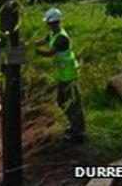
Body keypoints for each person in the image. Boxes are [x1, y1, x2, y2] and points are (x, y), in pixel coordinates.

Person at [37, 8, 85, 143]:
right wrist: (29, 44)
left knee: (72, 103)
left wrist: (33, 51)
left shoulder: (61, 38)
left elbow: (49, 53)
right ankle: (74, 126)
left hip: (69, 75)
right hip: (63, 75)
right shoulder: (53, 34)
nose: (48, 25)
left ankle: (78, 133)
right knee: (62, 101)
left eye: (49, 23)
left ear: (55, 22)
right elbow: (42, 41)